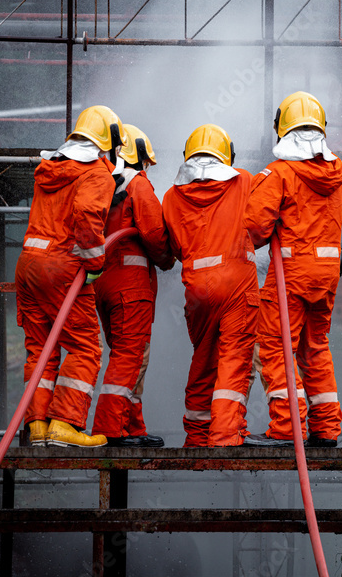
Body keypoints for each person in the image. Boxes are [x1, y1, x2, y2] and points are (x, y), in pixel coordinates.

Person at [244, 91, 342, 448]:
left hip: (291, 275)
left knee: (274, 347)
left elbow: (253, 228)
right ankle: (326, 427)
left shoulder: (279, 174)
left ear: (281, 129)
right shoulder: (340, 175)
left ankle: (288, 427)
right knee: (315, 347)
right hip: (327, 275)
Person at [161, 124, 277, 447]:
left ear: (188, 155)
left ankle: (197, 436)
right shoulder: (244, 181)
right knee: (234, 360)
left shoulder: (171, 196)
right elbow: (264, 223)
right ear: (228, 156)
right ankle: (225, 434)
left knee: (203, 359)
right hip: (237, 286)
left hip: (197, 290)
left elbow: (172, 248)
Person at [16, 105, 123, 448]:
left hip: (28, 265)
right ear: (108, 142)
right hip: (61, 268)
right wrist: (95, 265)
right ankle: (64, 424)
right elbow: (87, 218)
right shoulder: (96, 174)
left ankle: (38, 426)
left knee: (40, 348)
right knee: (84, 348)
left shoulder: (50, 168)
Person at [91, 124, 175, 448]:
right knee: (130, 358)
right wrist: (167, 259)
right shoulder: (137, 184)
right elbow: (154, 233)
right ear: (136, 156)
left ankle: (132, 427)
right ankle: (110, 428)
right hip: (131, 287)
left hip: (102, 285)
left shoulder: (99, 187)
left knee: (130, 358)